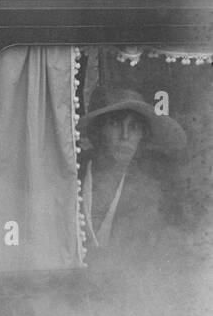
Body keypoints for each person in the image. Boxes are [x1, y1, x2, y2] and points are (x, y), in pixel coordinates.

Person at [79, 85, 185, 260]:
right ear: (96, 130)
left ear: (142, 135)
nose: (125, 135)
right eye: (114, 123)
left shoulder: (151, 191)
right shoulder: (70, 173)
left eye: (134, 126)